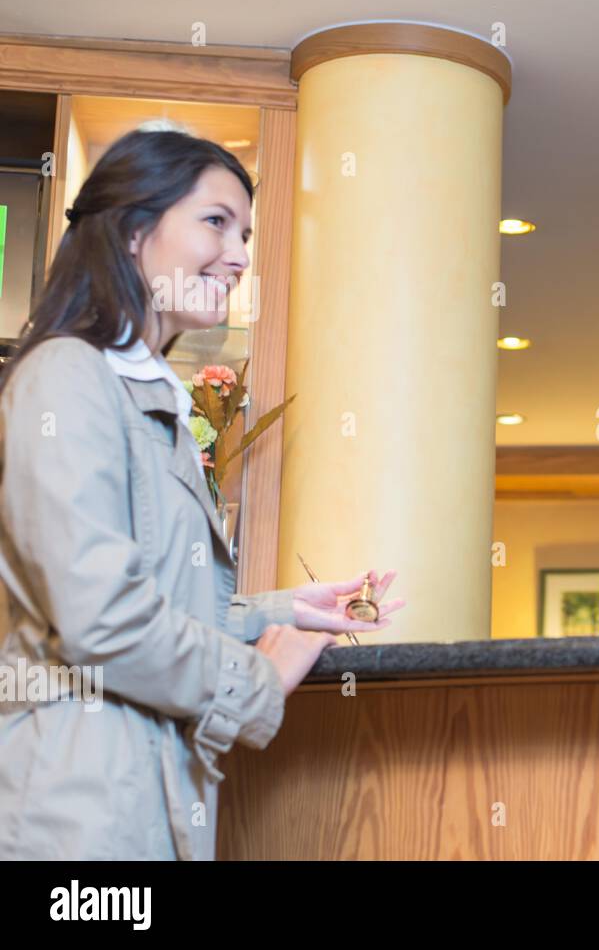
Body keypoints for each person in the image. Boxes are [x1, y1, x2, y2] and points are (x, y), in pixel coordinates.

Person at [0, 128, 404, 860]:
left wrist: (290, 611)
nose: (241, 254)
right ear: (132, 229)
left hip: (138, 800)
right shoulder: (66, 376)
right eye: (215, 221)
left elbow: (155, 596)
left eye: (245, 232)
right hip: (74, 817)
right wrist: (259, 678)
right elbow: (103, 621)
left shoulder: (146, 396)